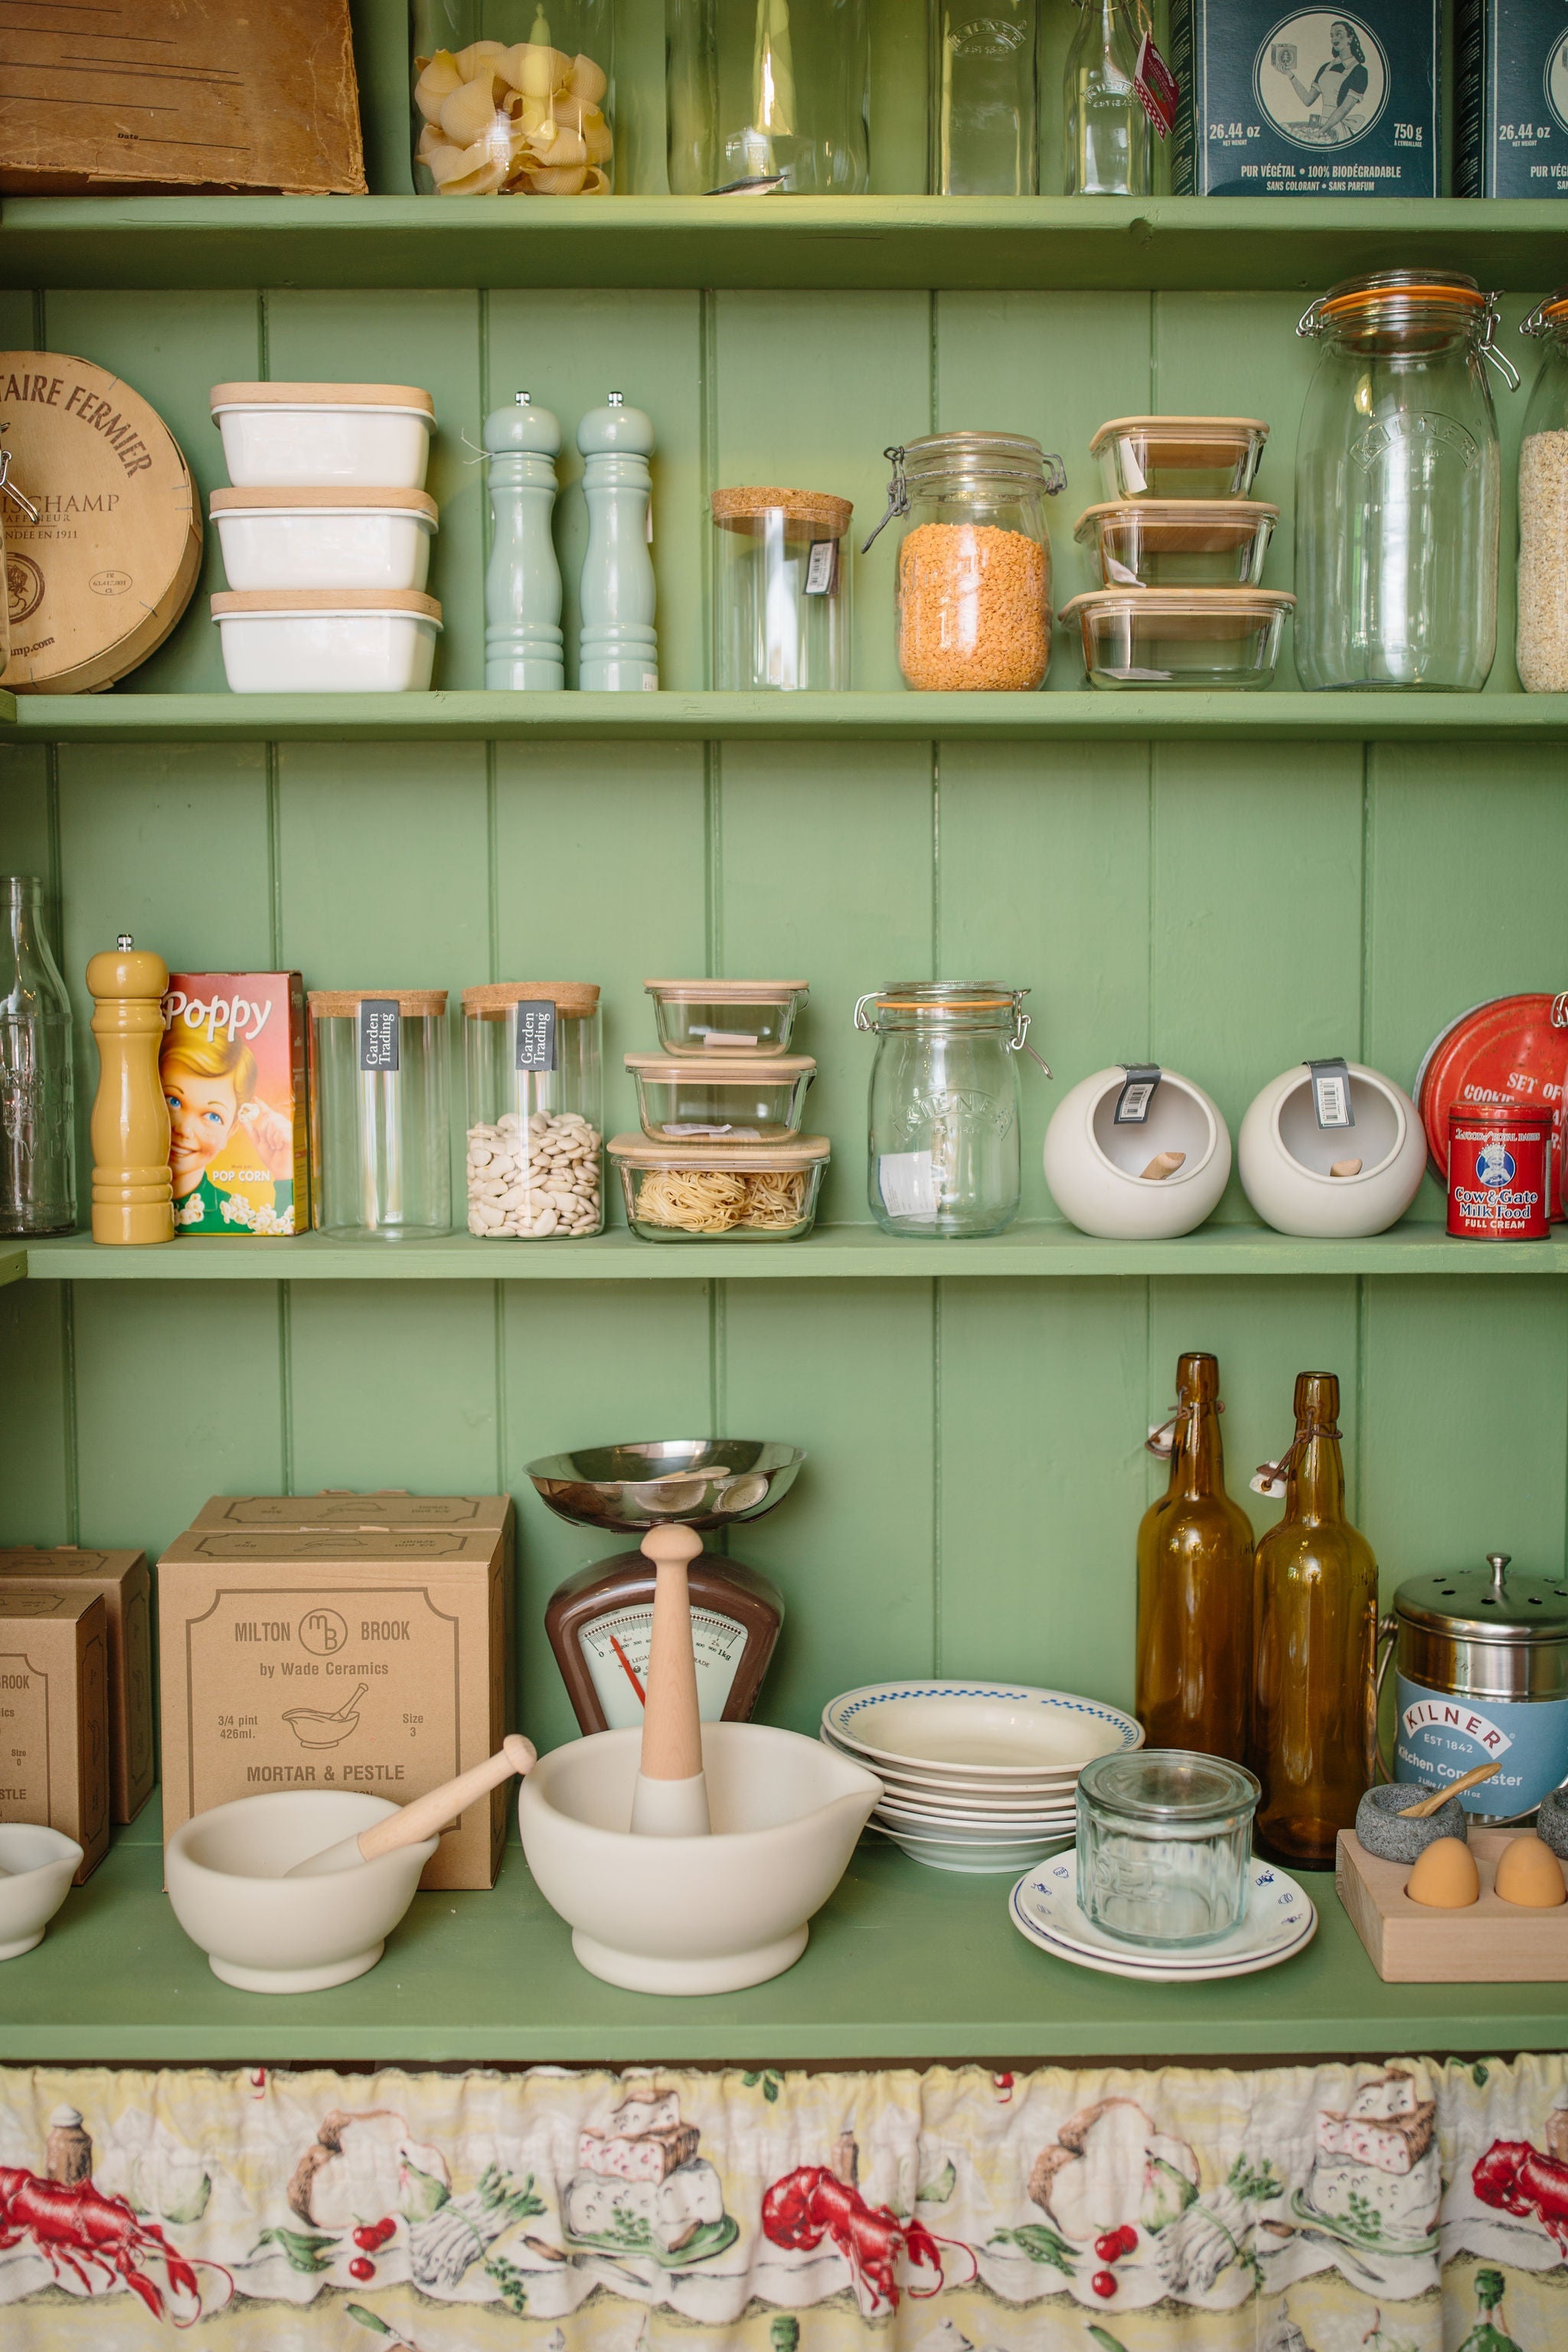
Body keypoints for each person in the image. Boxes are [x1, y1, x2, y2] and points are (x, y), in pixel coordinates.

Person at [161, 1028, 295, 1233]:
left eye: (213, 1116)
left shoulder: (241, 1221)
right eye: (174, 1100)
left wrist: (284, 1174)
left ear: (231, 1130)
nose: (184, 1130)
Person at [1272, 18, 1370, 144]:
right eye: (1332, 35)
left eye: (1339, 34)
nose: (1334, 38)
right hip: (1321, 128)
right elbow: (1308, 100)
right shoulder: (1326, 67)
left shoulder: (1360, 72)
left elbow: (1343, 110)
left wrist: (1322, 131)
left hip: (1337, 129)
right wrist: (1290, 75)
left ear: (1350, 38)